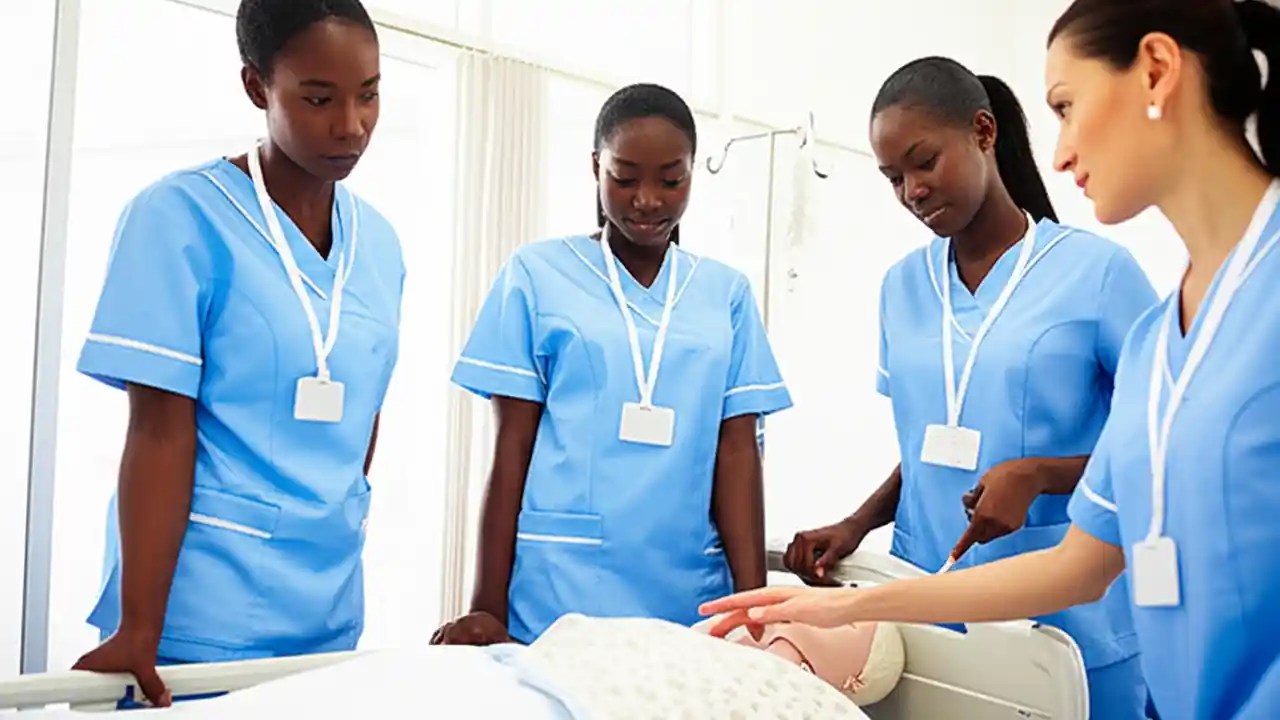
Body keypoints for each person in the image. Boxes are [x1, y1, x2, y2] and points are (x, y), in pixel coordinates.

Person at [703, 2, 1280, 719]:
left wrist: (1038, 474)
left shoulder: (1183, 288)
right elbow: (1078, 564)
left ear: (1157, 71)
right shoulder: (1169, 334)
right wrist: (836, 606)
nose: (1061, 152)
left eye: (1068, 108)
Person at [777, 56, 1157, 717]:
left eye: (925, 163)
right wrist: (856, 524)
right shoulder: (902, 286)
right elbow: (929, 447)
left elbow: (1162, 436)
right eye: (894, 178)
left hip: (1065, 610)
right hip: (927, 592)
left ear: (984, 132)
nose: (912, 191)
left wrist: (1042, 473)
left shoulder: (1097, 273)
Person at [70, 0, 401, 707]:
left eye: (368, 94)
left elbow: (362, 420)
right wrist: (139, 626)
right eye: (319, 98)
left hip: (328, 609)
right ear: (257, 88)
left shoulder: (380, 245)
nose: (352, 124)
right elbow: (159, 432)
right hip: (200, 611)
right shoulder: (179, 218)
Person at [431, 83, 792, 647]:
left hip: (686, 595)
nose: (647, 199)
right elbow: (511, 449)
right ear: (595, 167)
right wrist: (485, 610)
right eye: (624, 178)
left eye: (671, 180)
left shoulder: (726, 294)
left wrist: (755, 613)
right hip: (558, 593)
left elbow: (737, 451)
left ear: (693, 174)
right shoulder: (537, 273)